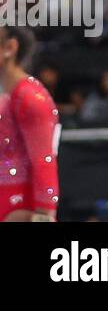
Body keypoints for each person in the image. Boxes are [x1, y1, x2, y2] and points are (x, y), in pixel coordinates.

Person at [0, 24, 60, 220]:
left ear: (9, 48)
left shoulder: (30, 97)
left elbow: (44, 160)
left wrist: (44, 215)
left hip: (18, 207)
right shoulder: (6, 98)